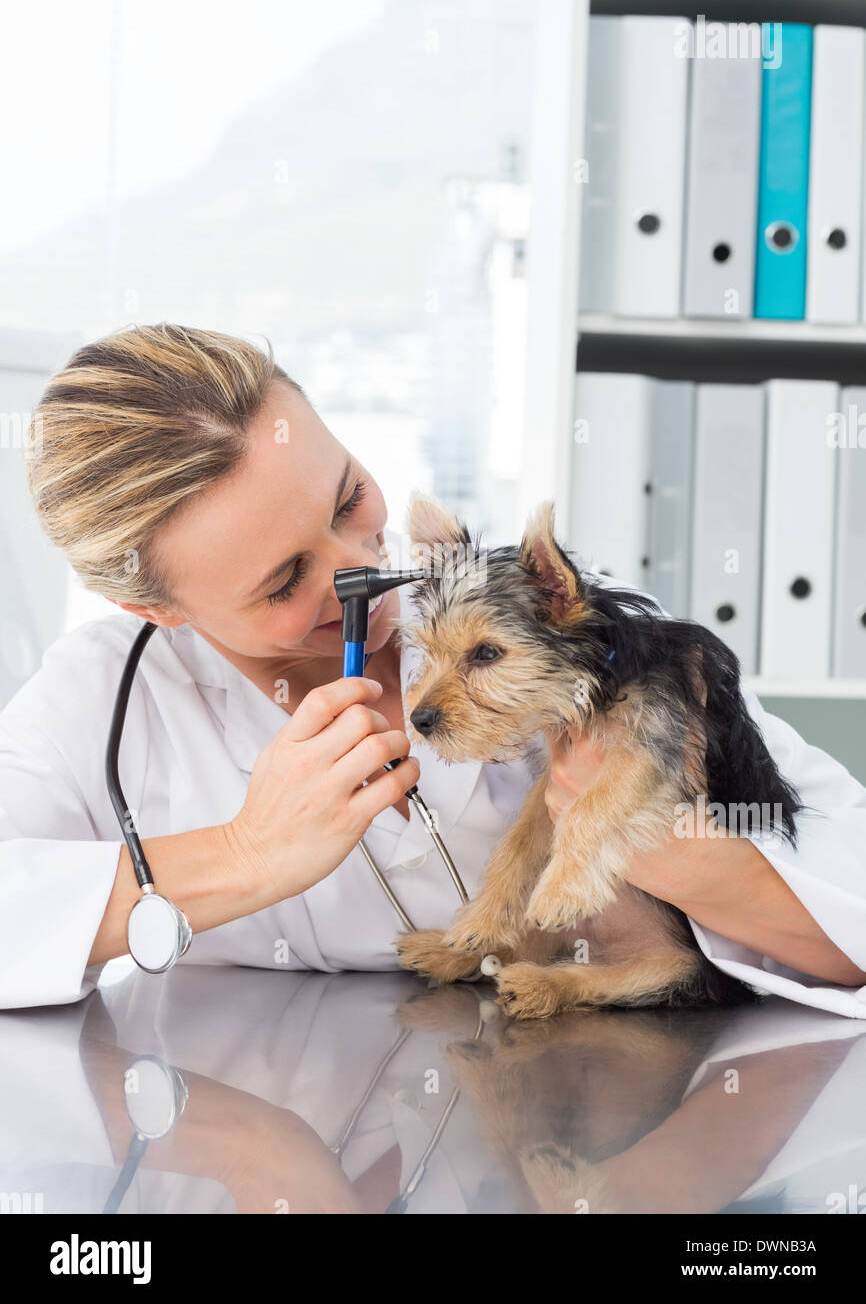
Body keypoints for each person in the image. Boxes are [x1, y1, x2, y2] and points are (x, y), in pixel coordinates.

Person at [0, 322, 864, 1015]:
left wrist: (655, 846)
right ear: (157, 609)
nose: (363, 569)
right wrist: (242, 854)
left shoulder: (541, 621)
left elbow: (849, 884)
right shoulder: (103, 699)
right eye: (285, 580)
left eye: (349, 499)